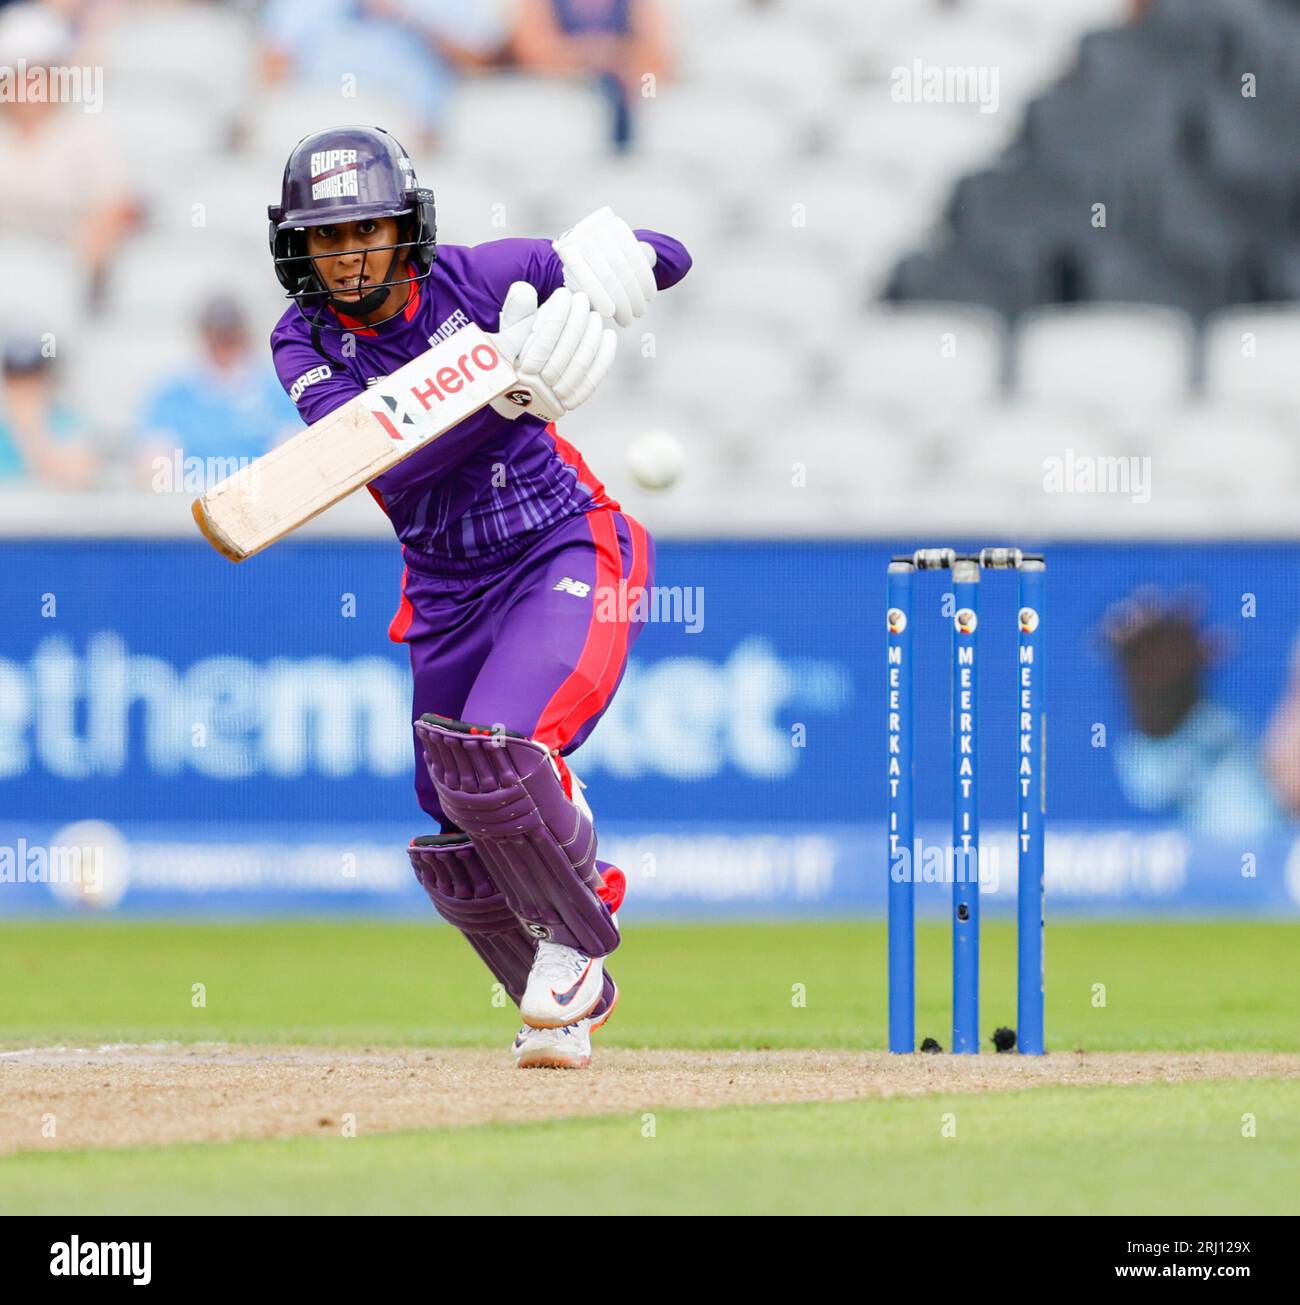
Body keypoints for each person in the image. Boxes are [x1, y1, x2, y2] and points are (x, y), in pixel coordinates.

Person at [267, 125, 691, 1067]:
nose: (345, 256)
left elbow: (673, 257)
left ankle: (588, 913)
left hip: (563, 544)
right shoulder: (302, 341)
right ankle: (567, 1006)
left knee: (499, 748)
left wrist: (614, 268)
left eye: (363, 231)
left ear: (404, 227)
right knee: (452, 809)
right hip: (446, 589)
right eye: (325, 238)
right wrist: (507, 389)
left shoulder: (480, 276)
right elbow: (385, 462)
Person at [137, 296, 298, 486]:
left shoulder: (277, 388)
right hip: (190, 501)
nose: (223, 346)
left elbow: (293, 453)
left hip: (262, 496)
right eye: (216, 338)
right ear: (203, 337)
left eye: (230, 337)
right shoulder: (172, 394)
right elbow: (154, 462)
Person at [511, 0, 672, 150]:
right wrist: (600, 56)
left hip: (628, 95)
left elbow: (655, 56)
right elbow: (532, 51)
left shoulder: (638, 5)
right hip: (563, 96)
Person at [0, 335, 97, 488]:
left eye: (32, 377)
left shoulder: (68, 421)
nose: (24, 387)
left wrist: (31, 431)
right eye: (15, 377)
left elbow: (80, 476)